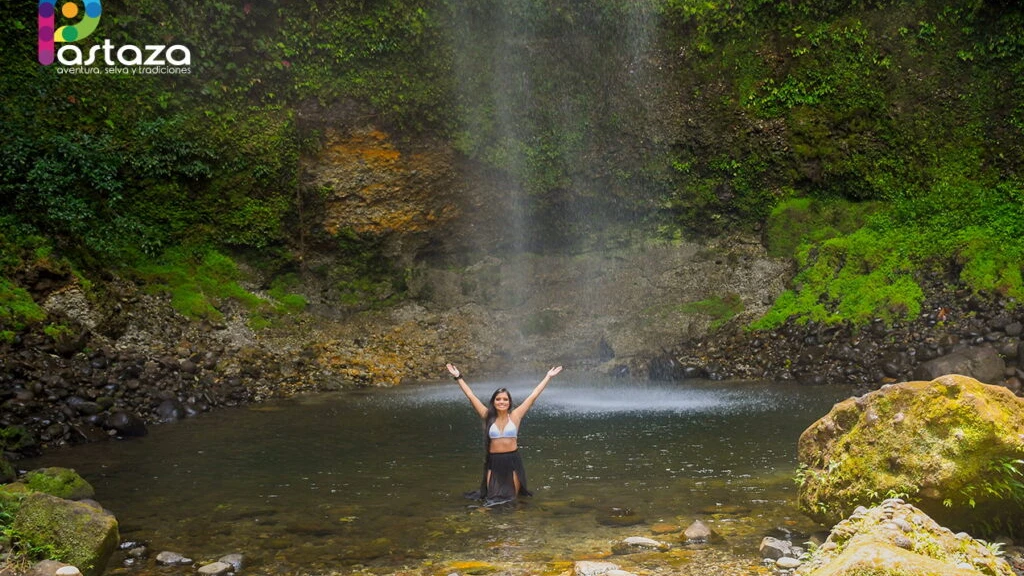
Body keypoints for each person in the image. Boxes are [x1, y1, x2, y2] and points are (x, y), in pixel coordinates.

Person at [446, 362, 563, 506]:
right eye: (498, 399)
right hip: (494, 461)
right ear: (494, 402)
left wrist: (548, 377)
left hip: (512, 460)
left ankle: (516, 522)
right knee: (491, 496)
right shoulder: (487, 415)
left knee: (512, 497)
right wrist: (458, 377)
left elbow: (533, 396)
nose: (502, 402)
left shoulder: (515, 416)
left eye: (505, 399)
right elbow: (471, 396)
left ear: (509, 402)